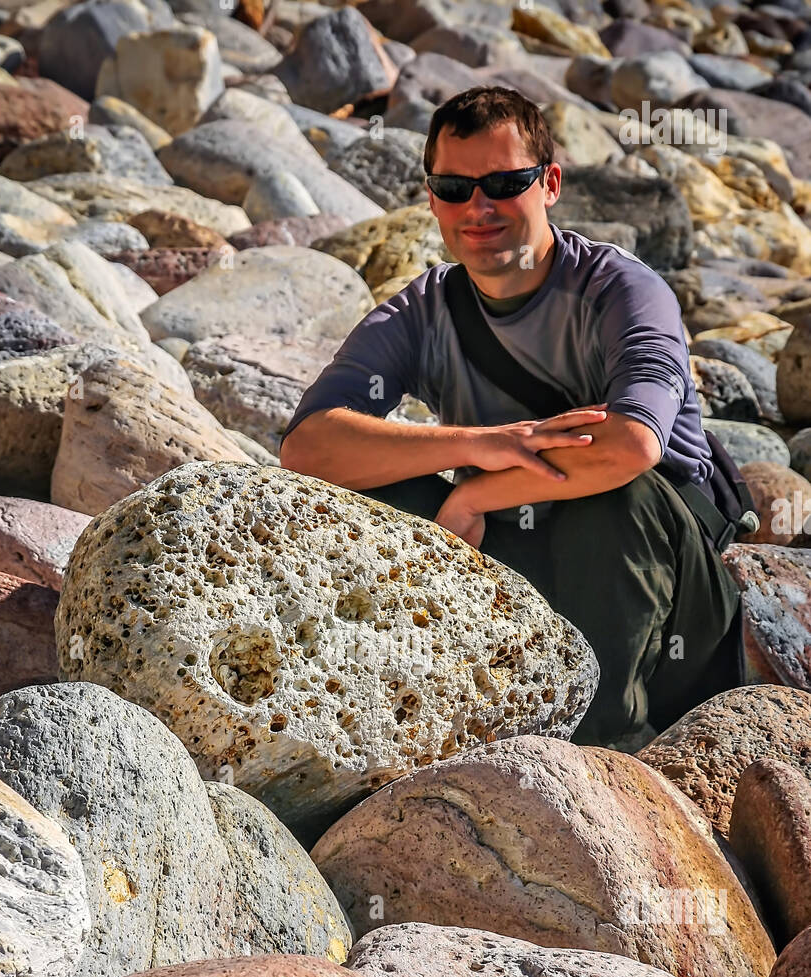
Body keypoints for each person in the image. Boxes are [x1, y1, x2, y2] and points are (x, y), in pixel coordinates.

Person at [279, 84, 745, 750]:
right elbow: (307, 448)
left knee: (615, 501)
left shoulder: (621, 290)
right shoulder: (424, 312)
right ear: (431, 196)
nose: (478, 208)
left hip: (668, 598)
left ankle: (606, 745)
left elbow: (633, 446)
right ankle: (385, 719)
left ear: (549, 184)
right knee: (382, 493)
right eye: (454, 188)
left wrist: (476, 492)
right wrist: (476, 443)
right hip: (522, 562)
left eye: (504, 184)